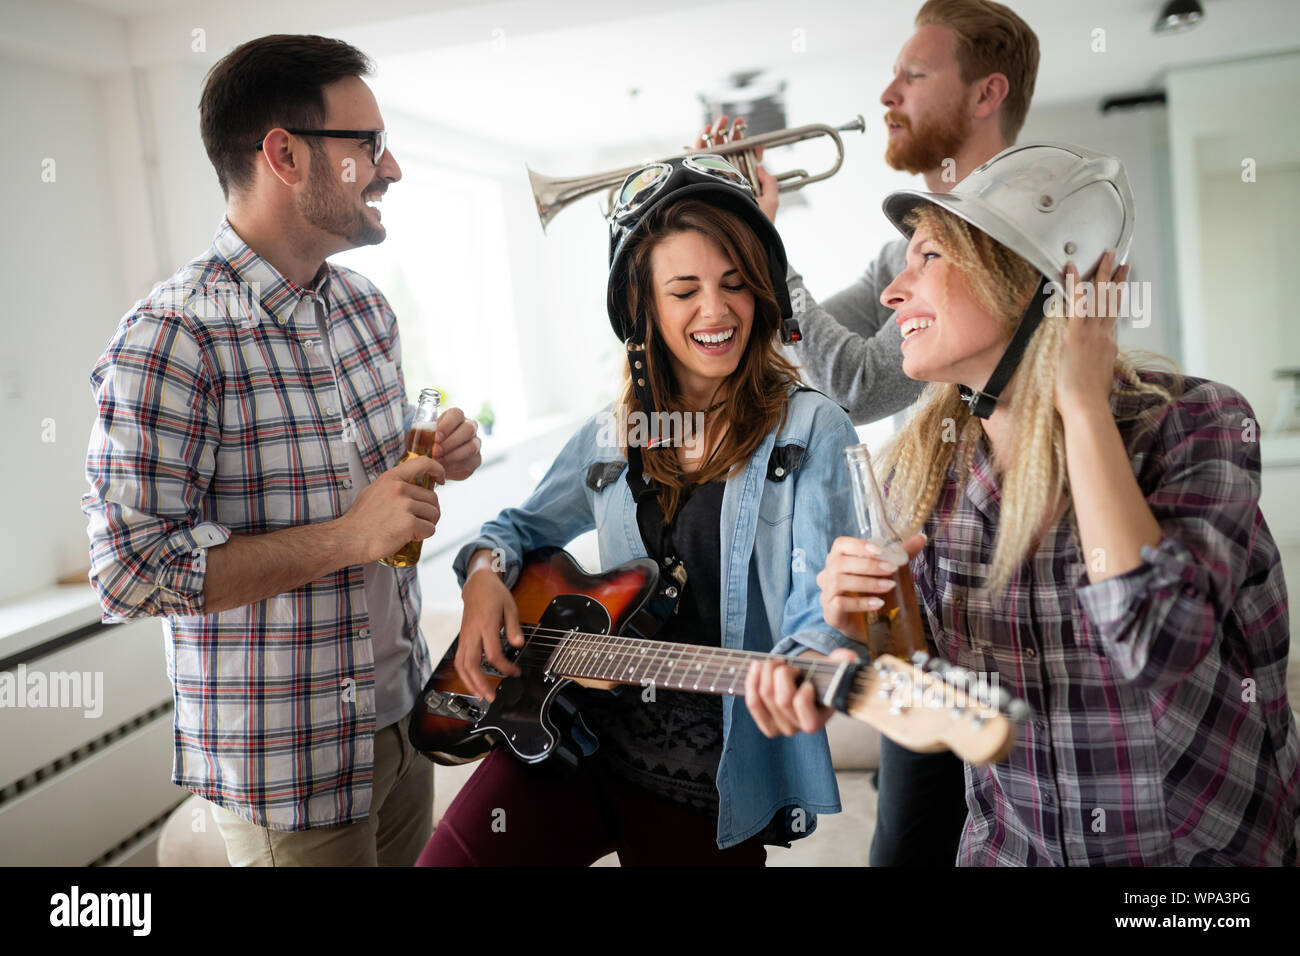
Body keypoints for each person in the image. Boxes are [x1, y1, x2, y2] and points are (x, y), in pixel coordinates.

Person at [748, 142, 1300, 865]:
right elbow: (911, 680)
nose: (892, 293)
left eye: (929, 258)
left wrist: (1080, 404)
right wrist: (834, 643)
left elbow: (1157, 641)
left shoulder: (1195, 426)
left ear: (1030, 280)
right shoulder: (916, 471)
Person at [81, 34, 483, 867]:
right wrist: (347, 536)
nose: (392, 168)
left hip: (403, 726)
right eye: (367, 145)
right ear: (285, 154)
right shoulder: (170, 337)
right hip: (290, 768)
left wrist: (438, 449)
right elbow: (126, 572)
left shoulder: (367, 309)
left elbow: (360, 482)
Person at [415, 155, 861, 867]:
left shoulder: (811, 431)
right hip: (571, 739)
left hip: (707, 786)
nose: (715, 312)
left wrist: (811, 661)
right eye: (684, 291)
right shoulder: (613, 435)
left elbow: (827, 604)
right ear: (642, 308)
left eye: (734, 284)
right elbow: (516, 529)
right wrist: (482, 577)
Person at [703, 0, 1040, 866]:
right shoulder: (903, 256)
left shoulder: (1037, 227)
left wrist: (771, 248)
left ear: (985, 95)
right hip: (924, 597)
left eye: (914, 75)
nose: (886, 92)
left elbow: (851, 382)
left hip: (1014, 589)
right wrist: (743, 236)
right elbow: (811, 360)